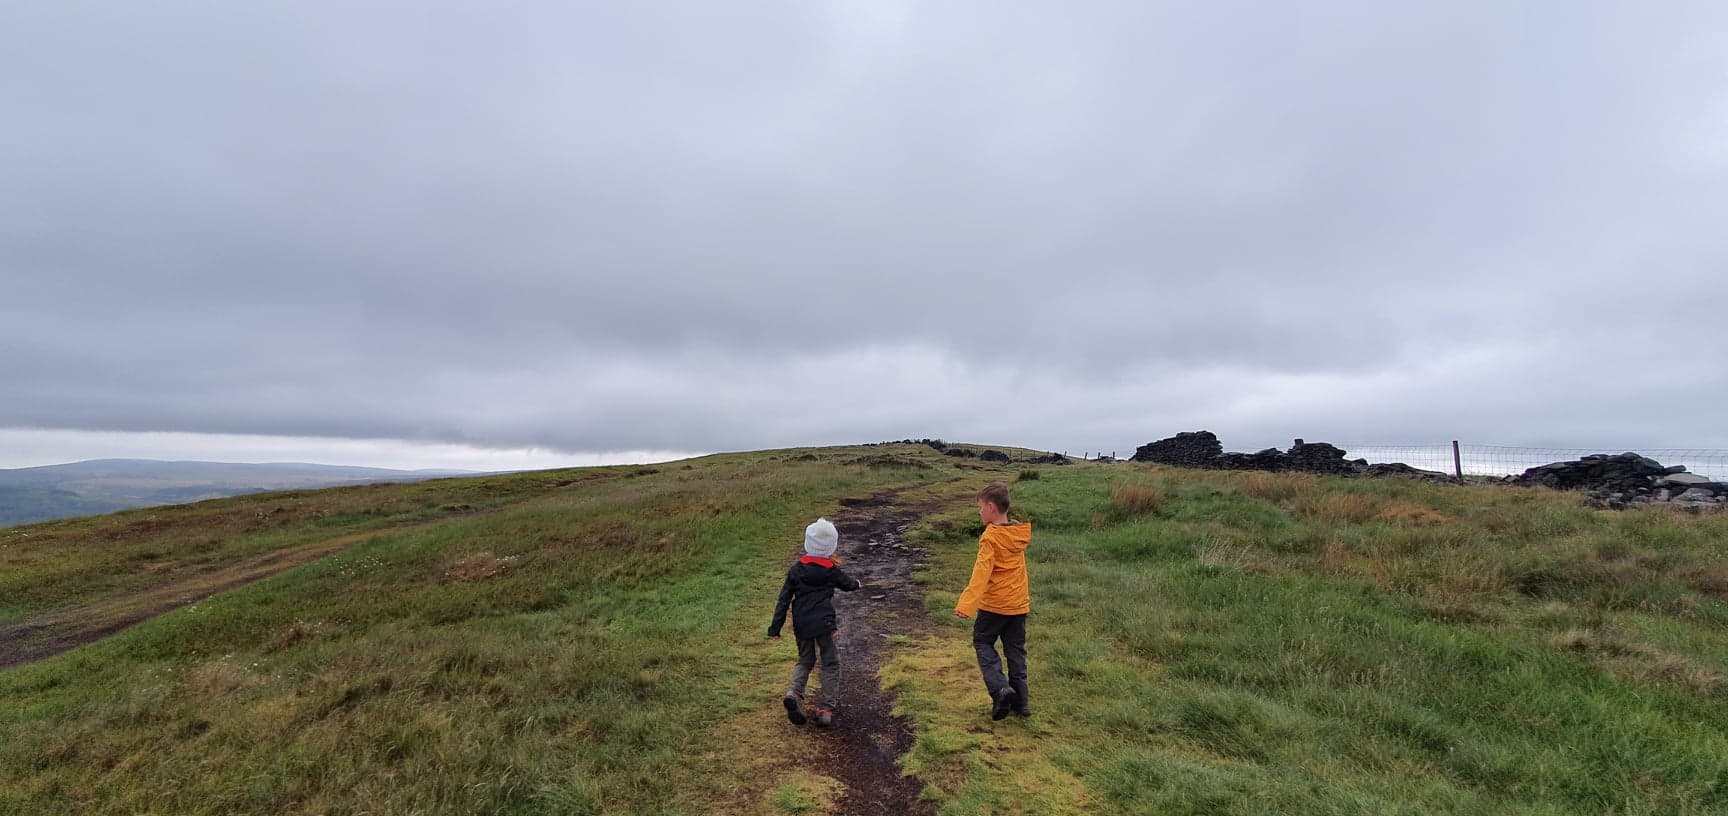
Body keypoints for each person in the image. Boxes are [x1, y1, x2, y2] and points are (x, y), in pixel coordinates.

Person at [767, 517, 860, 727]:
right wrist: (858, 584)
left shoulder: (796, 569)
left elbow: (783, 599)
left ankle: (795, 693)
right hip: (825, 624)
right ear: (832, 545)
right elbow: (847, 584)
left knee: (805, 661)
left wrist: (775, 627)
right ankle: (826, 709)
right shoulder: (831, 570)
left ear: (807, 542)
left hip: (802, 624)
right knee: (830, 662)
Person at [953, 483, 1032, 720]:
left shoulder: (991, 537)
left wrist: (966, 604)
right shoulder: (1017, 533)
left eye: (980, 507)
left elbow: (981, 573)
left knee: (982, 642)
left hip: (994, 606)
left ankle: (1001, 689)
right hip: (1018, 606)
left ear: (991, 507)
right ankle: (1022, 703)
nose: (979, 512)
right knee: (1016, 652)